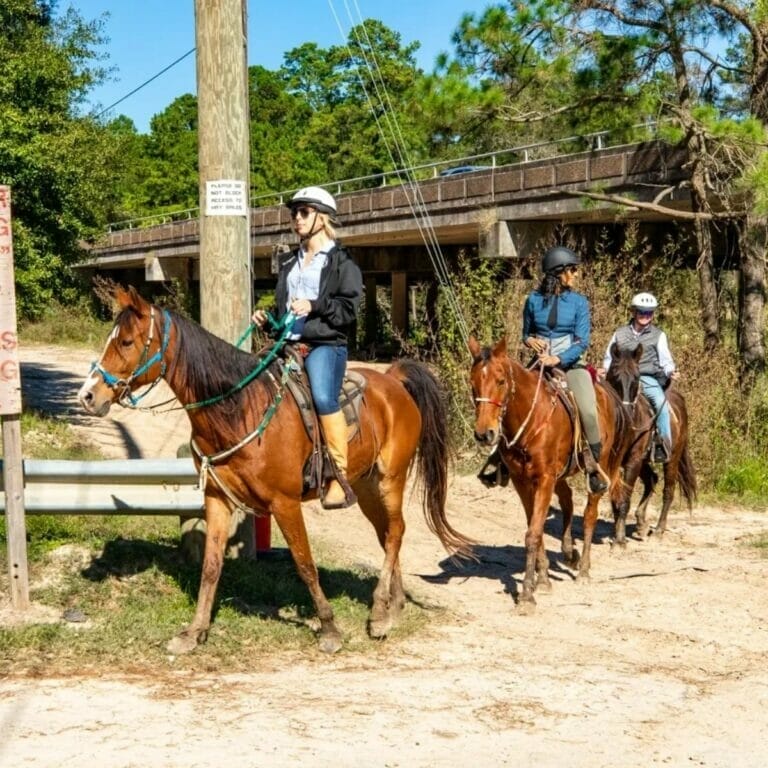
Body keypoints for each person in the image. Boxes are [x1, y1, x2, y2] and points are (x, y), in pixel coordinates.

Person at [253, 186, 363, 508]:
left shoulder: (342, 261)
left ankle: (339, 476)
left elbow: (348, 310)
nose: (296, 218)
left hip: (324, 345)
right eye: (294, 213)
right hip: (286, 343)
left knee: (323, 397)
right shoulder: (290, 261)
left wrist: (315, 305)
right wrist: (268, 319)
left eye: (304, 212)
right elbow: (286, 309)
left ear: (322, 217)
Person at [479, 244, 607, 493]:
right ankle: (499, 459)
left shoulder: (579, 302)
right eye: (573, 270)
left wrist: (558, 358)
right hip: (538, 363)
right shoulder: (533, 301)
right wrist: (530, 341)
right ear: (559, 272)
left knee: (589, 411)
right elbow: (526, 333)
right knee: (508, 401)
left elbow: (582, 341)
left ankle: (593, 465)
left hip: (571, 364)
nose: (576, 274)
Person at [601, 292, 679, 463]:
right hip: (621, 378)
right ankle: (596, 441)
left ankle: (662, 443)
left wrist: (670, 371)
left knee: (660, 403)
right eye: (641, 312)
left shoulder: (658, 335)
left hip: (646, 377)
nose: (645, 316)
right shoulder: (619, 333)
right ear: (634, 312)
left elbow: (666, 360)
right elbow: (609, 357)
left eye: (649, 312)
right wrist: (604, 370)